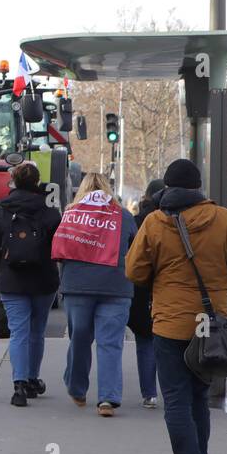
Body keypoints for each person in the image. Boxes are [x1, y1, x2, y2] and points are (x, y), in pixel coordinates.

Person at [125, 158, 227, 454]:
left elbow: (135, 271)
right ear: (198, 187)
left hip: (169, 323)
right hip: (210, 325)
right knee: (199, 397)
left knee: (176, 400)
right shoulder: (223, 219)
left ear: (167, 187)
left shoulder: (154, 222)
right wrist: (218, 278)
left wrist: (160, 279)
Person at [54, 173, 138, 416]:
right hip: (116, 286)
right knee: (110, 343)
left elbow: (60, 249)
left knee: (79, 338)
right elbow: (135, 247)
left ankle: (77, 387)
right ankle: (108, 399)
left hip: (78, 286)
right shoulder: (123, 216)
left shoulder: (71, 213)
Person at [0, 161, 63, 407]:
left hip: (12, 280)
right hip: (43, 280)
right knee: (37, 332)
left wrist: (4, 267)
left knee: (18, 332)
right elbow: (58, 247)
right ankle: (32, 379)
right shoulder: (50, 212)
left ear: (14, 182)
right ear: (37, 183)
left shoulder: (0, 211)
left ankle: (18, 385)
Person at [129, 178, 165, 408]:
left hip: (138, 288)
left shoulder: (135, 221)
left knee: (145, 340)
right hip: (166, 287)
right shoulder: (171, 222)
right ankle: (164, 391)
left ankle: (149, 393)